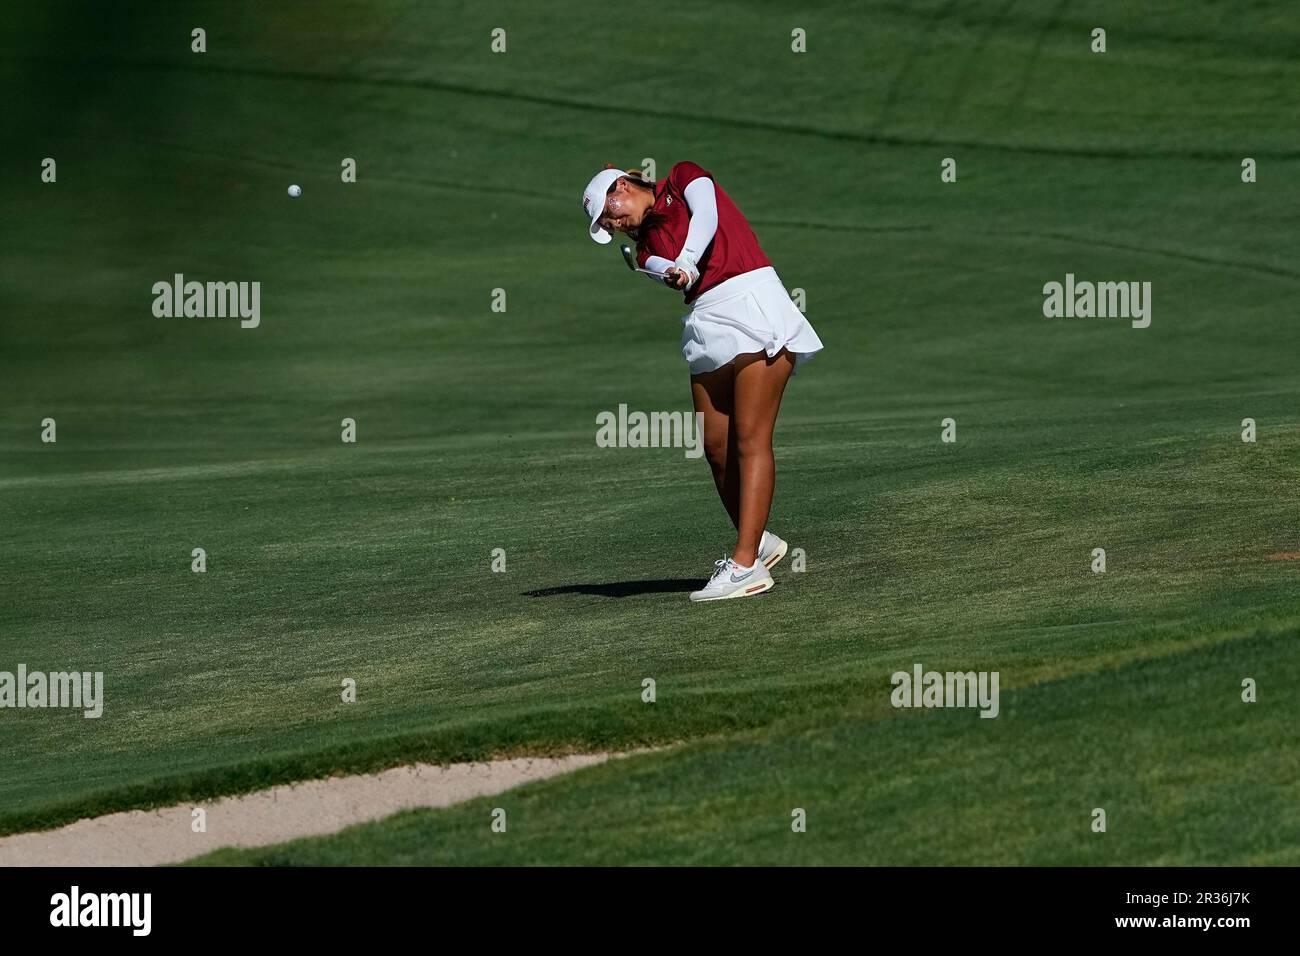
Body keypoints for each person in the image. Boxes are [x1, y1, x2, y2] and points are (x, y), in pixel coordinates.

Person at [581, 162, 824, 602]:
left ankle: (746, 565)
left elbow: (707, 215)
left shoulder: (682, 175)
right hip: (708, 323)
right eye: (607, 225)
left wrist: (688, 262)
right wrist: (674, 271)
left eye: (610, 213)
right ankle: (760, 541)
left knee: (751, 439)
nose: (615, 225)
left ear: (622, 185)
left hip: (752, 302)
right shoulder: (643, 250)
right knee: (715, 445)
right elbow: (659, 264)